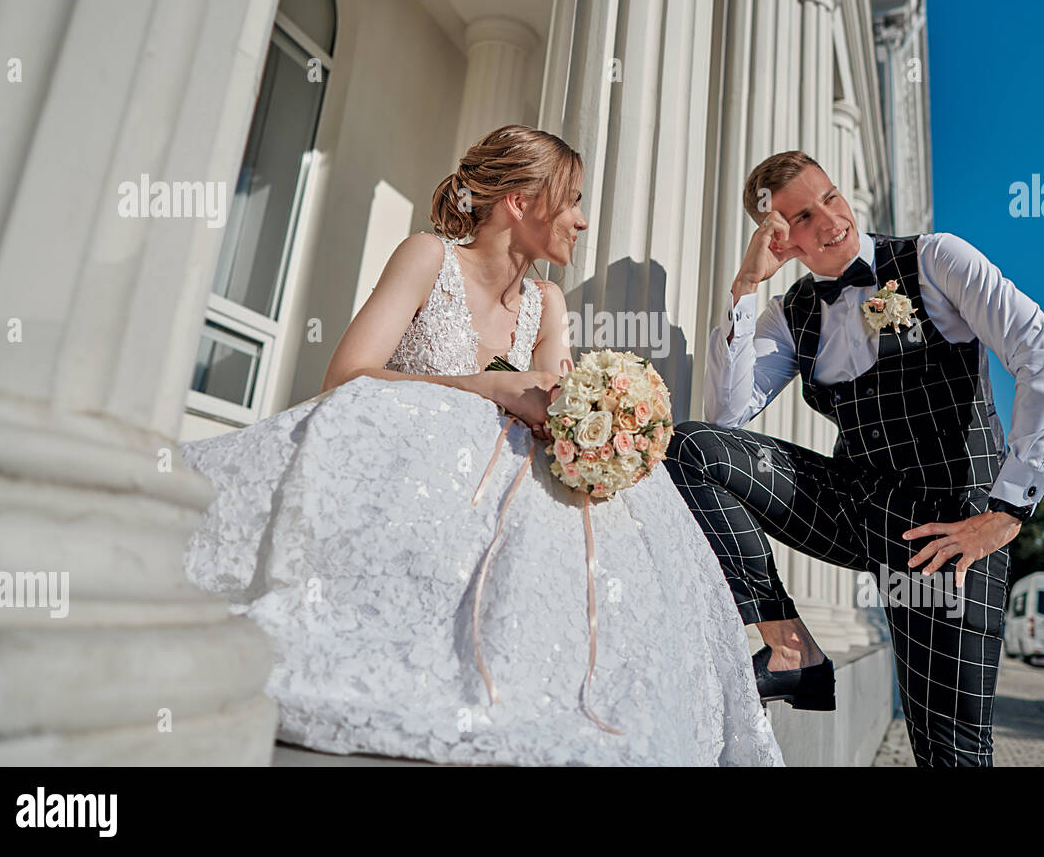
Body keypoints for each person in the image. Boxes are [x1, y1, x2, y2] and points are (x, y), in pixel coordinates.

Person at [179, 125, 782, 767]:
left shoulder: (547, 303)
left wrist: (596, 420)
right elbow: (348, 375)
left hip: (498, 505)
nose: (581, 221)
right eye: (572, 199)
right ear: (520, 202)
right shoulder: (427, 257)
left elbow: (556, 396)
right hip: (410, 480)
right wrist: (483, 385)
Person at [664, 150, 1044, 766]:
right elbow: (728, 417)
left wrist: (1007, 511)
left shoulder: (936, 259)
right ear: (781, 237)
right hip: (857, 506)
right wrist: (746, 287)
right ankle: (791, 649)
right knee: (693, 448)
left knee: (947, 748)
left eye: (830, 196)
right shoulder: (792, 314)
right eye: (803, 216)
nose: (832, 218)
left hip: (949, 530)